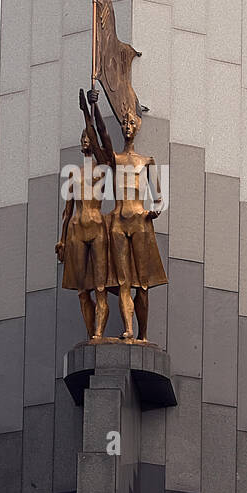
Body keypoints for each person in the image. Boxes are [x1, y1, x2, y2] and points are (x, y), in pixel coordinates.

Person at [90, 96, 166, 341]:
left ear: (137, 127)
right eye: (124, 125)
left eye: (131, 124)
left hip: (140, 223)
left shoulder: (146, 161)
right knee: (124, 282)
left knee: (142, 285)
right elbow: (99, 134)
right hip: (118, 224)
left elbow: (159, 197)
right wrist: (93, 107)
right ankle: (129, 330)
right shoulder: (115, 159)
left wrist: (155, 210)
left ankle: (142, 334)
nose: (127, 128)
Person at [55, 89, 112, 341]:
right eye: (83, 137)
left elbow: (104, 139)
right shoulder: (73, 173)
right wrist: (62, 240)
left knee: (100, 287)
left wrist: (89, 110)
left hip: (97, 227)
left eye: (88, 137)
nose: (86, 140)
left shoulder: (102, 170)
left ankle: (99, 334)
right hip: (77, 229)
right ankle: (92, 335)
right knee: (81, 290)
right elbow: (66, 212)